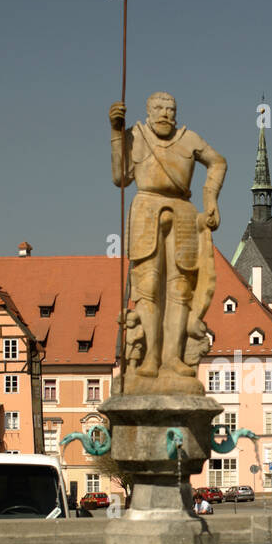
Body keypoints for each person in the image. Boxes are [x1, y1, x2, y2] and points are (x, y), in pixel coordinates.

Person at [110, 92, 226, 386]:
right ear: (148, 111)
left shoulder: (189, 139)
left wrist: (209, 198)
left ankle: (172, 358)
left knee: (180, 288)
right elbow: (120, 178)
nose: (165, 114)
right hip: (146, 207)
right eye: (159, 108)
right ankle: (151, 358)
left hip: (183, 211)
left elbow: (218, 162)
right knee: (147, 286)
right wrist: (116, 133)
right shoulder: (136, 134)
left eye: (171, 109)